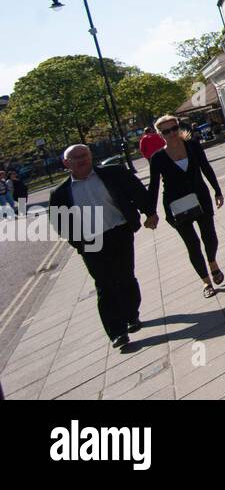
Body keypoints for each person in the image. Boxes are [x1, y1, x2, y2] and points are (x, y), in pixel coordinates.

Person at [48, 145, 157, 349]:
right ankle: (117, 333)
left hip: (119, 232)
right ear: (66, 163)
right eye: (76, 158)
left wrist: (149, 212)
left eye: (85, 156)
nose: (82, 160)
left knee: (126, 277)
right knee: (105, 286)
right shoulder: (60, 193)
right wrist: (79, 243)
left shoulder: (113, 173)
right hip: (91, 242)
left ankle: (132, 315)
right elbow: (60, 223)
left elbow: (137, 191)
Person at [147, 115, 225, 298]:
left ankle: (212, 262)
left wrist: (217, 190)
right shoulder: (157, 158)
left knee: (210, 236)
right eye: (166, 131)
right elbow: (154, 186)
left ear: (178, 127)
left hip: (201, 197)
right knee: (192, 244)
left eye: (174, 128)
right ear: (160, 135)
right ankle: (206, 282)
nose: (172, 133)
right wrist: (150, 212)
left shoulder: (193, 146)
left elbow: (206, 168)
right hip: (176, 204)